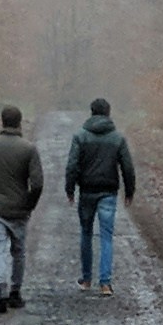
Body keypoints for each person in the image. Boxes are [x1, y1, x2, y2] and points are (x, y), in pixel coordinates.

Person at [0, 103, 45, 312]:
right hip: (19, 209)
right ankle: (15, 292)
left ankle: (0, 288)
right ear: (19, 123)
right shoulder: (29, 149)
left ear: (2, 122)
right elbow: (37, 184)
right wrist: (29, 204)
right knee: (18, 252)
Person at [64, 95, 136, 292]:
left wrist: (70, 189)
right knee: (106, 236)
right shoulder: (118, 138)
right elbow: (127, 167)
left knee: (86, 233)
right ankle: (105, 282)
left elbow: (72, 166)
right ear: (108, 113)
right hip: (108, 192)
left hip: (87, 191)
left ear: (92, 113)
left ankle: (87, 280)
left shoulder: (80, 136)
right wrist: (129, 191)